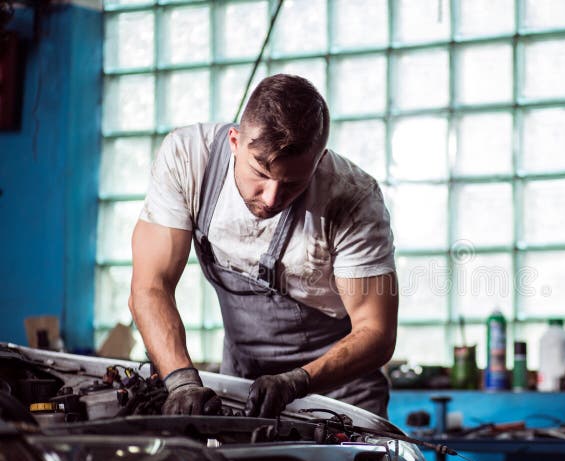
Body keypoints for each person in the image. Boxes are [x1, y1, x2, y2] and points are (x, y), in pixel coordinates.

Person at [129, 74, 398, 418]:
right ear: (235, 141)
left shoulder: (352, 197)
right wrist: (181, 382)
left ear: (319, 161)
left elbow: (376, 331)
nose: (272, 198)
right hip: (243, 385)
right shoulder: (189, 160)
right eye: (260, 172)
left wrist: (297, 381)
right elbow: (150, 286)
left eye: (292, 183)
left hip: (340, 394)